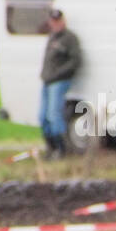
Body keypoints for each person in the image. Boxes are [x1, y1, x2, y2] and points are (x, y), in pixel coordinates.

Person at [38, 9, 81, 158]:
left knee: (54, 114)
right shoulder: (52, 38)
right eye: (53, 21)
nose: (56, 23)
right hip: (47, 81)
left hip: (59, 81)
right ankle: (51, 147)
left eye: (58, 20)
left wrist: (59, 74)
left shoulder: (69, 38)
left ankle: (61, 149)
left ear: (63, 21)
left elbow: (75, 61)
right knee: (42, 116)